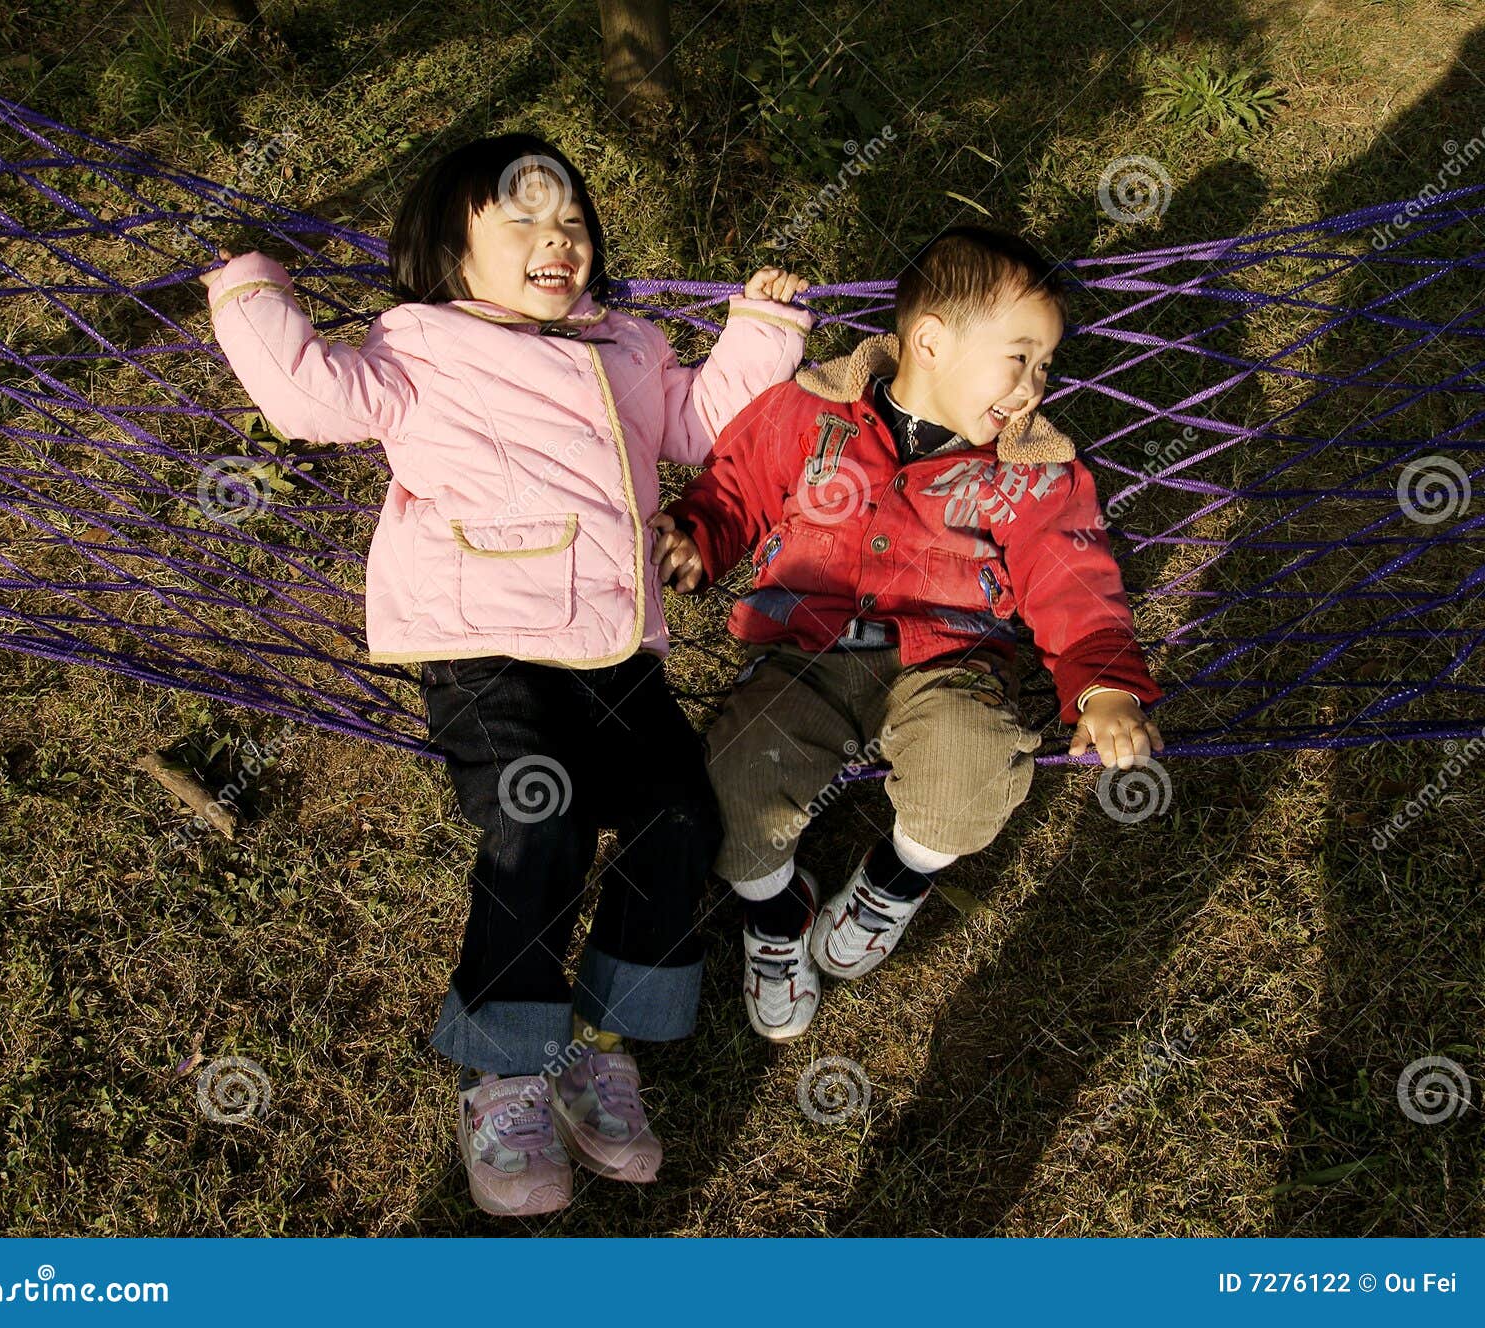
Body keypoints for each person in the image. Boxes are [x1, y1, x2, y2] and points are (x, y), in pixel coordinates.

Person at [199, 132, 812, 1214]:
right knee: (545, 814)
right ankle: (503, 1072)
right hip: (482, 642)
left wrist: (758, 331)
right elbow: (308, 402)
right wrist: (252, 291)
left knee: (680, 808)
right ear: (449, 250)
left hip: (612, 645)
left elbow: (698, 423)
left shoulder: (625, 343)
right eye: (521, 223)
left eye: (571, 223)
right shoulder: (420, 346)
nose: (556, 242)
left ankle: (597, 1041)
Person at [650, 223, 1163, 1042]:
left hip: (950, 659)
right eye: (1018, 358)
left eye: (1044, 368)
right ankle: (780, 911)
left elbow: (1072, 581)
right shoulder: (813, 410)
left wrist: (1103, 684)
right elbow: (737, 488)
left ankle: (895, 877)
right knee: (732, 795)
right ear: (929, 339)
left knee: (970, 772)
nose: (1032, 386)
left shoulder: (1033, 470)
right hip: (804, 652)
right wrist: (696, 534)